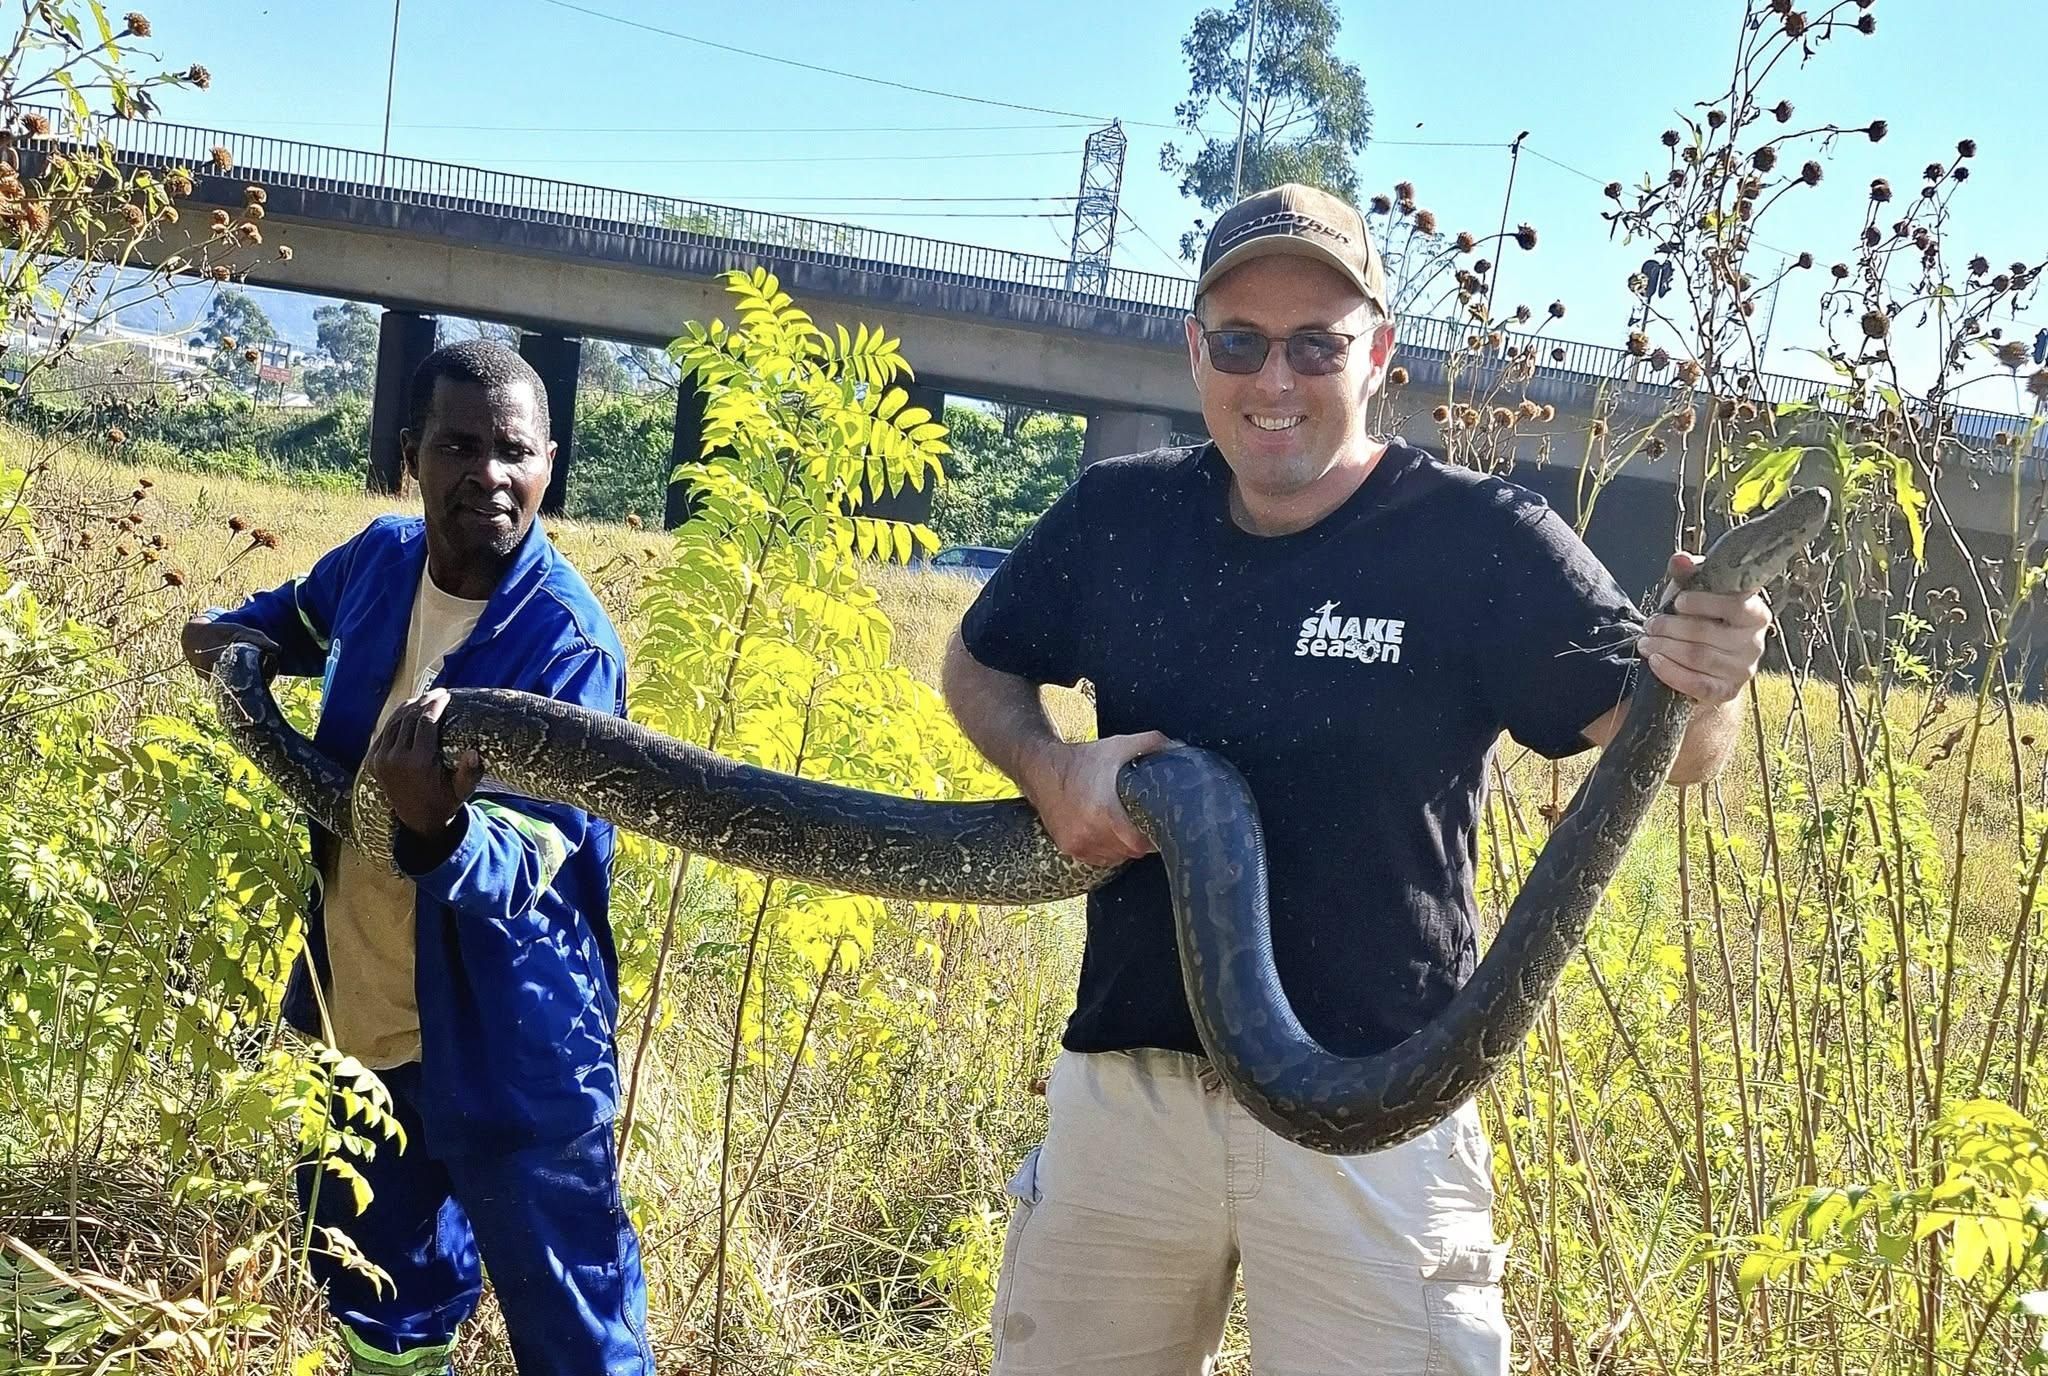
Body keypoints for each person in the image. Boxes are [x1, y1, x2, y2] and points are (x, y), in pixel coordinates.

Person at [942, 184, 1773, 1375]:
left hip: (1376, 1110)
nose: (1272, 379)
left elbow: (1676, 751)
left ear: (1375, 353)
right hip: (1129, 1093)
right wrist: (1047, 763)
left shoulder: (1482, 538)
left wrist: (1709, 681)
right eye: (1239, 341)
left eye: (1315, 345)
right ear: (1195, 351)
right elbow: (976, 664)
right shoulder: (1119, 515)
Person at [181, 340, 651, 1376]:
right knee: (384, 1294)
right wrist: (227, 645)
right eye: (458, 444)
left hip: (518, 1042)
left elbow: (541, 860)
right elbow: (284, 621)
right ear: (411, 456)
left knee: (578, 1329)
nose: (488, 472)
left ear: (548, 465)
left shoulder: (566, 642)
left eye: (513, 451)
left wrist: (441, 829)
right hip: (360, 1015)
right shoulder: (380, 561)